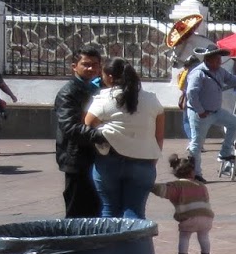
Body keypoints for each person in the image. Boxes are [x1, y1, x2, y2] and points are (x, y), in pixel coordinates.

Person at [84, 57, 165, 219]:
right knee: (135, 212)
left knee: (109, 211)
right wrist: (153, 158)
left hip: (109, 160)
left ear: (110, 77)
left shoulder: (105, 98)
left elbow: (88, 123)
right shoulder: (151, 99)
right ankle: (135, 245)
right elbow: (159, 135)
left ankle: (111, 245)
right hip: (144, 160)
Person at [184, 45, 236, 176]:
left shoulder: (220, 72)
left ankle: (225, 152)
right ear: (208, 59)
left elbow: (235, 80)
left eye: (219, 59)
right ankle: (196, 174)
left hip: (216, 112)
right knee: (197, 144)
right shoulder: (198, 74)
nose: (219, 62)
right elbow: (191, 93)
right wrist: (200, 111)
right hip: (200, 114)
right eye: (216, 59)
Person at [54, 45, 104, 217]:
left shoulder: (96, 89)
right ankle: (72, 243)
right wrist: (103, 135)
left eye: (95, 65)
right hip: (76, 158)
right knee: (77, 210)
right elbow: (70, 127)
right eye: (86, 64)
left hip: (93, 156)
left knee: (94, 208)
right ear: (74, 66)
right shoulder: (69, 92)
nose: (91, 68)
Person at [152, 153, 215, 254]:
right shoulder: (201, 185)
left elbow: (162, 190)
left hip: (189, 217)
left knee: (185, 236)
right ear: (192, 172)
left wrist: (150, 186)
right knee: (204, 236)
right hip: (206, 216)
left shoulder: (177, 186)